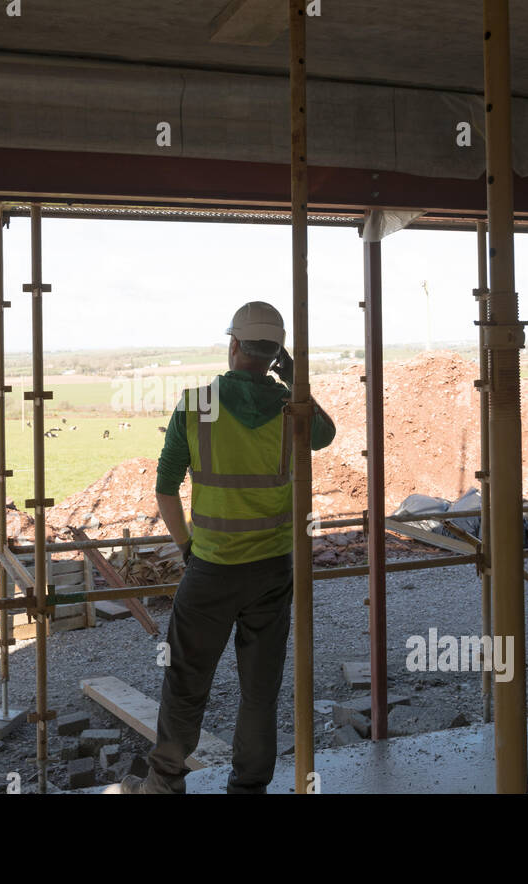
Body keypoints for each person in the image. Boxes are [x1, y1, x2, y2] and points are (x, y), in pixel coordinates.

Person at [118, 301, 335, 794]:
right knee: (260, 691)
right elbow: (325, 434)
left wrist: (186, 545)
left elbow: (166, 486)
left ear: (233, 345)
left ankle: (164, 782)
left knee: (185, 679)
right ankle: (249, 787)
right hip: (273, 570)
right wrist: (296, 380)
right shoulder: (290, 406)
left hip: (211, 568)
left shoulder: (197, 403)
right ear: (276, 354)